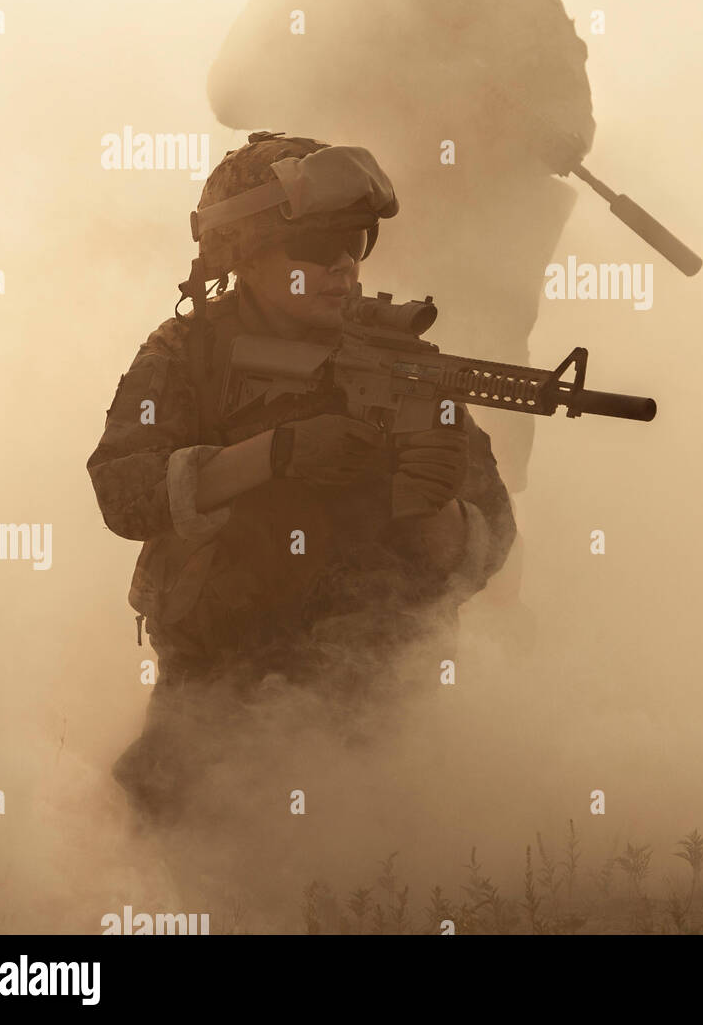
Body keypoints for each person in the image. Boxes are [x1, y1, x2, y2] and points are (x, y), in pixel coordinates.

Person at [206, 0, 594, 639]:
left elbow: (570, 130)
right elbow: (232, 90)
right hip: (321, 300)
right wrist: (355, 76)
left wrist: (498, 113)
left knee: (473, 494)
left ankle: (473, 697)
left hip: (466, 299)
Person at [87, 131, 516, 824]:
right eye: (317, 248)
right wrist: (274, 454)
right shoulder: (186, 355)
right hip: (216, 685)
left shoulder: (399, 364)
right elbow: (122, 492)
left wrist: (417, 490)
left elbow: (488, 541)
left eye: (359, 243)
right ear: (243, 256)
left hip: (372, 690)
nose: (343, 267)